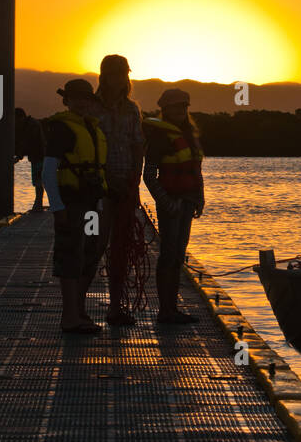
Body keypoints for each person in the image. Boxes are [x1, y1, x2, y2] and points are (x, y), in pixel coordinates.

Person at [42, 79, 108, 335]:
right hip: (71, 204)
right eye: (76, 98)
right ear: (66, 101)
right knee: (70, 258)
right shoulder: (62, 129)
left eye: (85, 98)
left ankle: (79, 312)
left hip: (92, 205)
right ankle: (70, 318)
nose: (81, 103)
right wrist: (57, 207)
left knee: (89, 256)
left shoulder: (93, 129)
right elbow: (48, 171)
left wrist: (101, 203)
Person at [143, 88, 204, 325]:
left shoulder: (188, 135)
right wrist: (166, 202)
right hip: (170, 203)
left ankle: (172, 309)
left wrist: (200, 198)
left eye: (184, 107)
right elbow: (149, 175)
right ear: (165, 110)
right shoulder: (160, 137)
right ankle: (165, 310)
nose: (180, 111)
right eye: (175, 107)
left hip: (188, 202)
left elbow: (196, 171)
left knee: (178, 254)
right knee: (168, 254)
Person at [94, 55, 145, 326]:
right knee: (94, 245)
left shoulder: (132, 110)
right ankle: (77, 309)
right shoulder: (91, 109)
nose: (120, 79)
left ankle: (116, 307)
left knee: (121, 248)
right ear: (104, 76)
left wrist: (134, 181)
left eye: (124, 74)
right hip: (97, 189)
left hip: (125, 186)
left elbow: (138, 145)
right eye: (115, 74)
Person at [13, 108, 46, 210]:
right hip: (38, 156)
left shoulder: (32, 126)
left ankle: (38, 204)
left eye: (16, 120)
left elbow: (28, 142)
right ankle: (38, 203)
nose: (16, 123)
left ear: (21, 117)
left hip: (39, 157)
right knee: (39, 181)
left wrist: (18, 157)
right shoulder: (31, 124)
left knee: (39, 181)